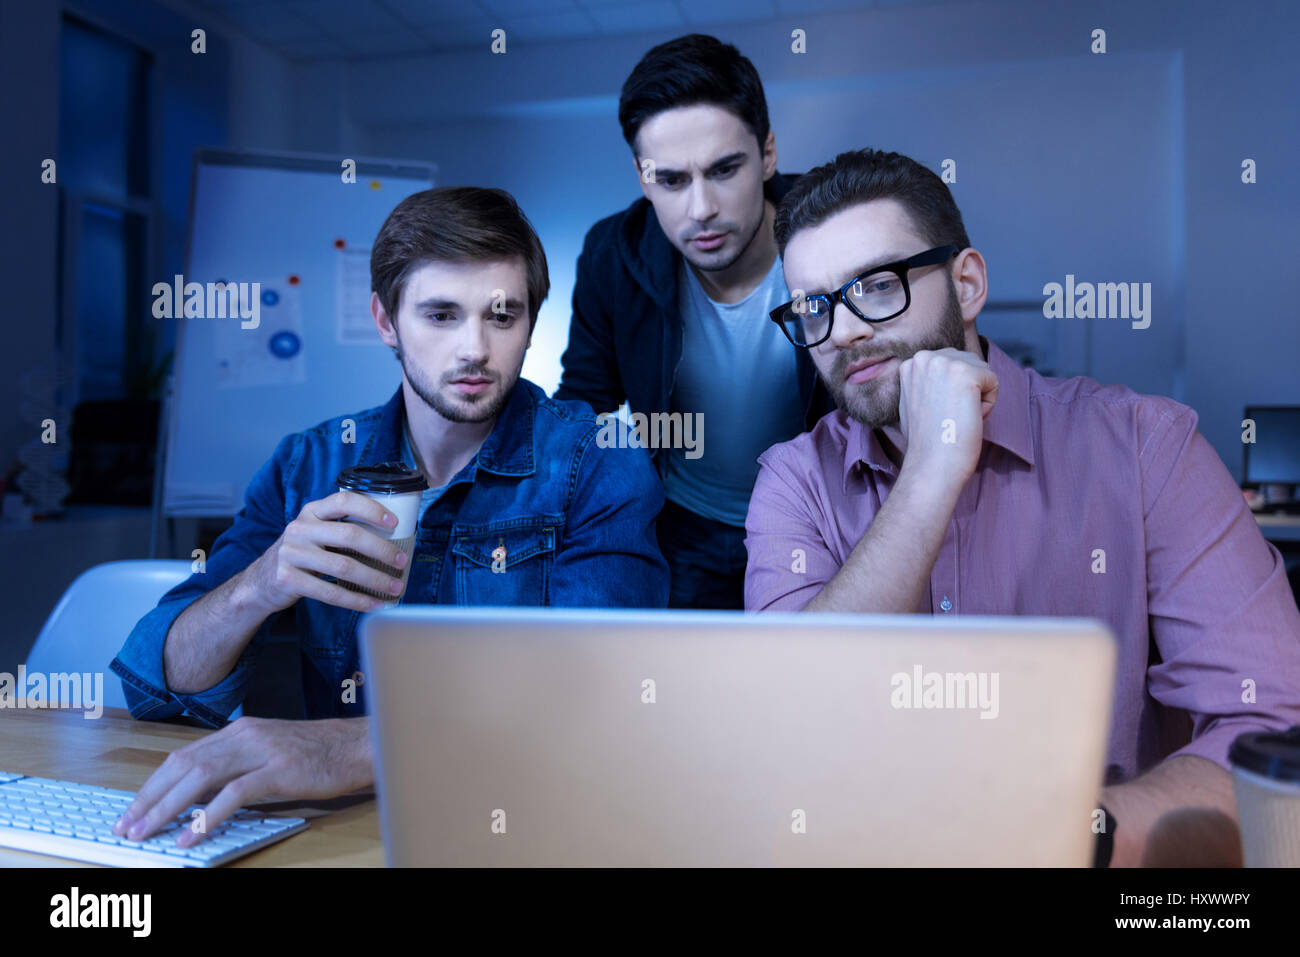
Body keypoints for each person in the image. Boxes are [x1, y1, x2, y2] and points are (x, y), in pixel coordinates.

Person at [745, 147, 1300, 866]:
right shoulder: (793, 480)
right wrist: (931, 470)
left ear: (966, 283)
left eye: (876, 287)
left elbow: (1273, 729)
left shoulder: (1147, 446)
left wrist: (1067, 838)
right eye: (814, 307)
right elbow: (789, 733)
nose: (842, 331)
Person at [110, 186, 668, 846]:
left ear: (529, 322)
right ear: (385, 319)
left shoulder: (596, 461)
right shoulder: (306, 466)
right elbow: (155, 685)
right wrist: (260, 584)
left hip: (530, 828)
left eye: (502, 316)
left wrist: (344, 751)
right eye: (440, 315)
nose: (474, 349)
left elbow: (605, 699)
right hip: (346, 836)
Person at [554, 33, 833, 609]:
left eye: (724, 169)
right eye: (671, 180)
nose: (701, 208)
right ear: (641, 176)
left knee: (814, 689)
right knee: (685, 691)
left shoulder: (835, 231)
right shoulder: (613, 252)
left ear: (769, 154)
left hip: (823, 520)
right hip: (683, 525)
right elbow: (585, 403)